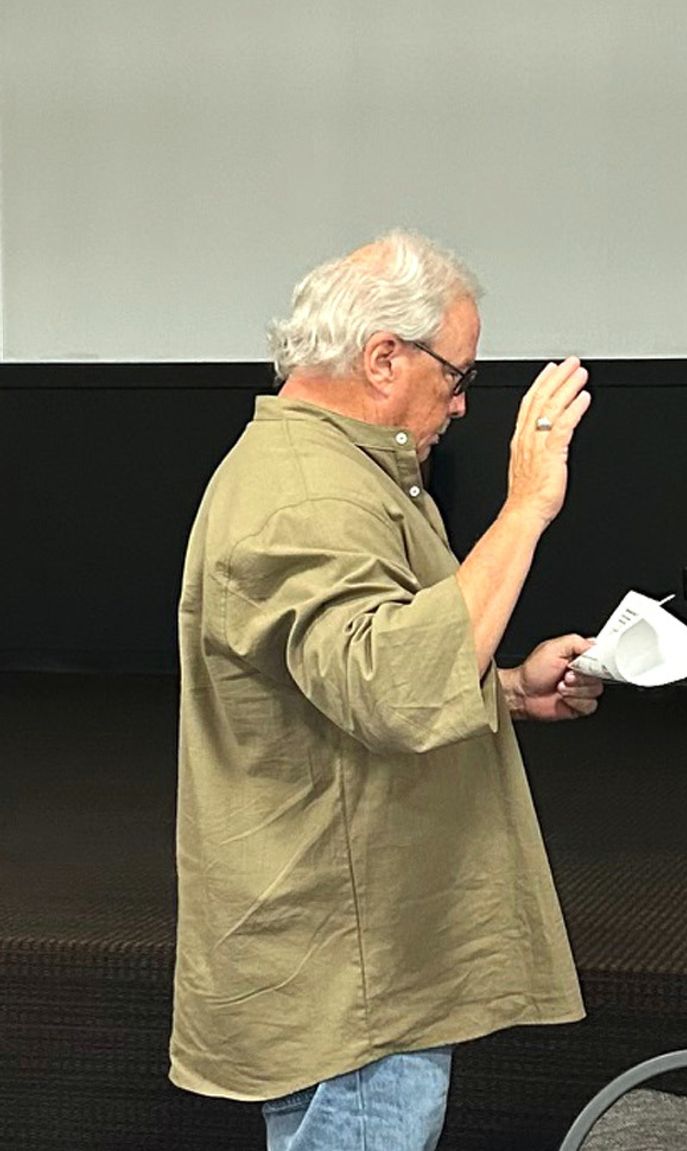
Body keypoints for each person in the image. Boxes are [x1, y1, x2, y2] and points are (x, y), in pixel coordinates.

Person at [172, 229, 601, 1151]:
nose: (458, 405)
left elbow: (341, 676)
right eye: (457, 378)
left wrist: (513, 689)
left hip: (359, 953)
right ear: (381, 359)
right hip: (352, 974)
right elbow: (397, 690)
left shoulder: (329, 473)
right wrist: (526, 506)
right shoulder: (309, 496)